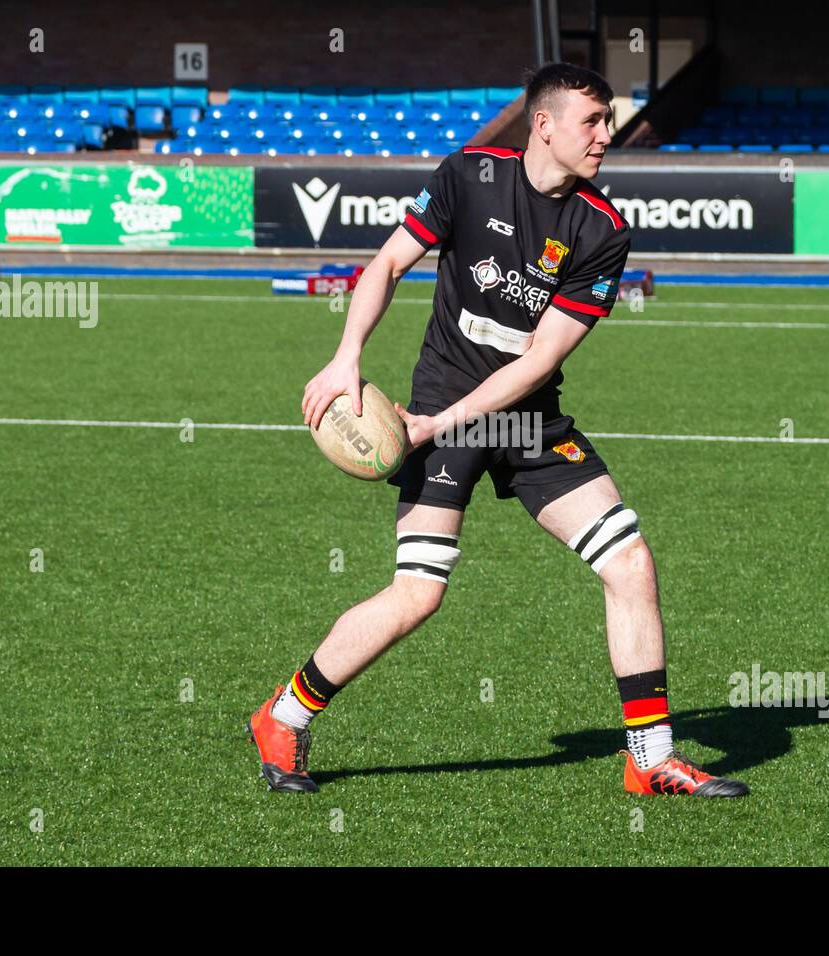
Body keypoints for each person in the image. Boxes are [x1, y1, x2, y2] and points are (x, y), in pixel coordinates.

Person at [246, 62, 749, 799]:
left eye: (608, 122)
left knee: (630, 562)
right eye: (592, 122)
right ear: (544, 125)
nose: (606, 135)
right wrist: (346, 357)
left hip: (522, 419)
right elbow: (389, 262)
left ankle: (649, 758)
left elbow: (541, 357)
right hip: (438, 406)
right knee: (419, 592)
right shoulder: (470, 177)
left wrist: (435, 425)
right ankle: (282, 716)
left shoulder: (601, 230)